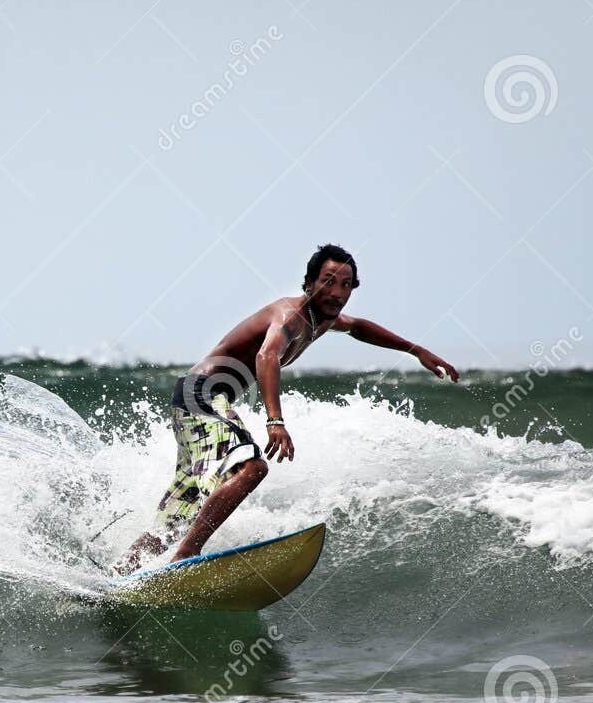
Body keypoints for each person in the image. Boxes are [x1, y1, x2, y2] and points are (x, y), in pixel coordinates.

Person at [117, 243, 459, 573]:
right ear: (309, 284)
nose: (336, 292)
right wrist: (274, 421)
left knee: (182, 514)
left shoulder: (325, 318)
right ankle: (187, 555)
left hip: (194, 399)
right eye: (327, 282)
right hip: (201, 395)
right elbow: (268, 355)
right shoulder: (291, 316)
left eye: (345, 285)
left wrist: (415, 349)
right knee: (252, 468)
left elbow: (358, 327)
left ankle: (120, 573)